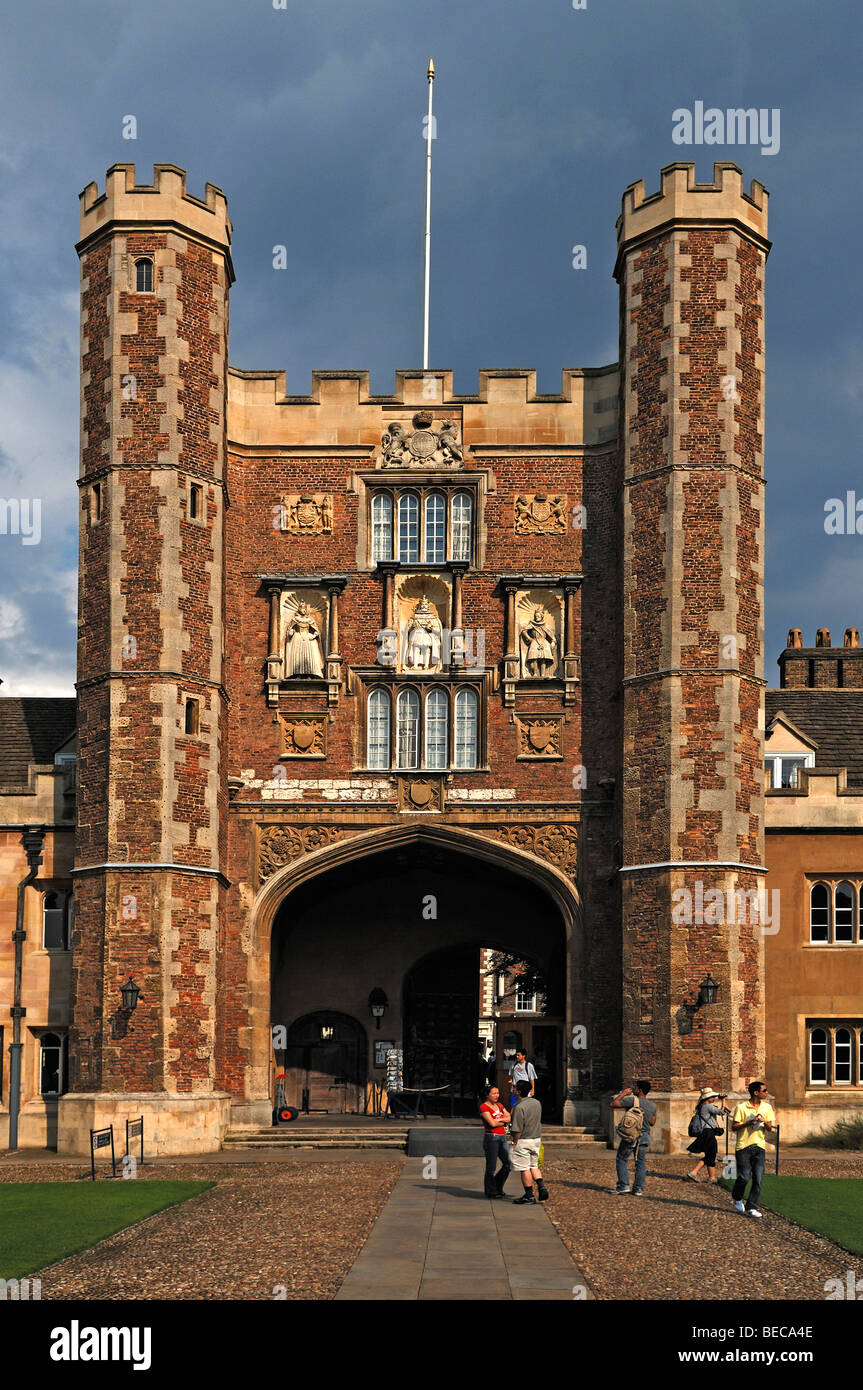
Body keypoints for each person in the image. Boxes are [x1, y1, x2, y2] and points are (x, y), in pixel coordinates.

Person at [730, 1081, 776, 1218]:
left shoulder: (767, 1108)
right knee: (744, 1177)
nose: (767, 1092)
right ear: (756, 1092)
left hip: (759, 1146)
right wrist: (748, 1123)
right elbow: (734, 1127)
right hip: (743, 1146)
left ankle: (751, 1207)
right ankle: (737, 1197)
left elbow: (769, 1128)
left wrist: (763, 1121)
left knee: (758, 1178)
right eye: (764, 1090)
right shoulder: (741, 1107)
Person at [611, 1080, 657, 1195]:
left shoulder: (633, 1100)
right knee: (640, 1162)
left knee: (621, 1159)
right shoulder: (652, 1105)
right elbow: (652, 1122)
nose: (633, 1089)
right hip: (645, 1136)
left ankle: (623, 1185)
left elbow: (613, 1104)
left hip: (632, 1135)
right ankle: (638, 1189)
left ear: (639, 1090)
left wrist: (623, 1094)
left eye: (635, 1087)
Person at [509, 1079, 548, 1204]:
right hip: (536, 1138)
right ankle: (541, 1186)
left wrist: (515, 1142)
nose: (513, 1089)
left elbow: (517, 1128)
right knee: (534, 1166)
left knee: (524, 1168)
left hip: (524, 1140)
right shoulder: (537, 1103)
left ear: (518, 1092)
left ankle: (529, 1195)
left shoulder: (519, 1107)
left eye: (514, 1088)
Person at [686, 1087, 729, 1183]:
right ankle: (694, 1172)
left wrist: (719, 1097)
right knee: (711, 1154)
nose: (714, 1097)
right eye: (712, 1096)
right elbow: (721, 1112)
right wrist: (723, 1100)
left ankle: (711, 1177)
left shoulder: (702, 1106)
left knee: (710, 1154)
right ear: (707, 1097)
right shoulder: (707, 1106)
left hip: (705, 1133)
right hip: (708, 1133)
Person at [479, 1085, 511, 1199]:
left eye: (497, 1093)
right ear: (487, 1095)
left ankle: (497, 1186)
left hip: (502, 1137)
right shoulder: (484, 1107)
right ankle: (491, 1191)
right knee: (491, 1167)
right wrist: (504, 1121)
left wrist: (500, 1120)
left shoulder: (500, 1105)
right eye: (494, 1093)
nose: (497, 1095)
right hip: (491, 1138)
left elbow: (509, 1117)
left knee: (508, 1163)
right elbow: (492, 1124)